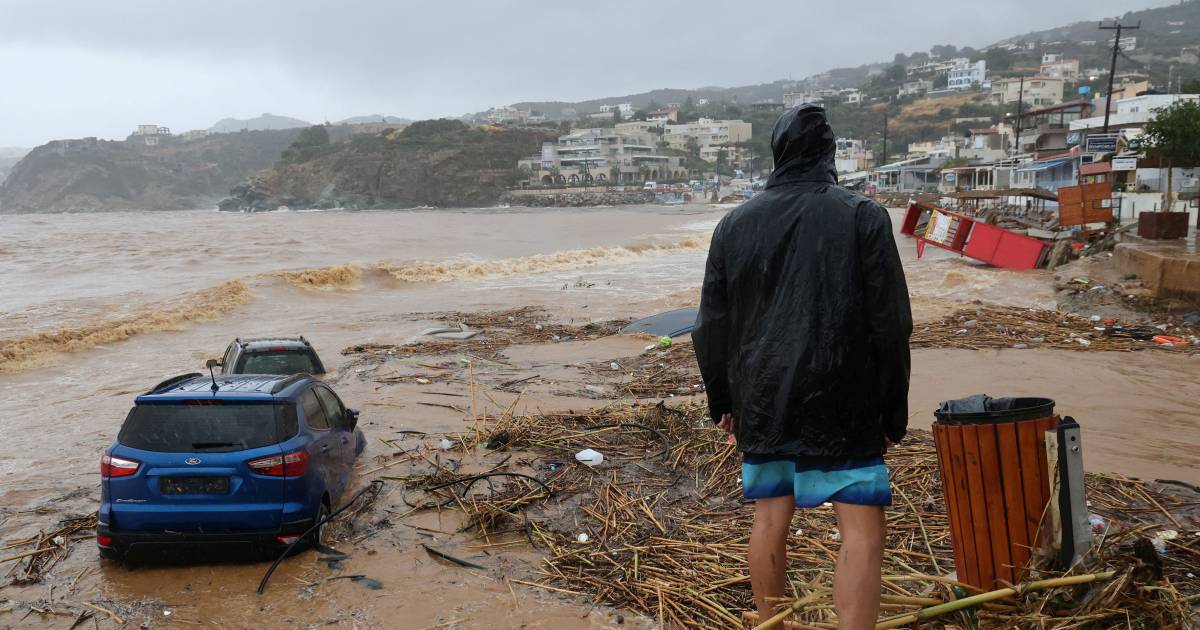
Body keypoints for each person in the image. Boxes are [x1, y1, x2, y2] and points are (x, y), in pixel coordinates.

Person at [693, 104, 912, 629]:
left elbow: (711, 326)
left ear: (778, 154)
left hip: (763, 397)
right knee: (861, 529)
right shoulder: (863, 215)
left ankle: (772, 623)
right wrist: (892, 411)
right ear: (830, 154)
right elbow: (891, 325)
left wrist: (725, 403)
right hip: (846, 396)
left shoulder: (733, 225)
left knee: (770, 517)